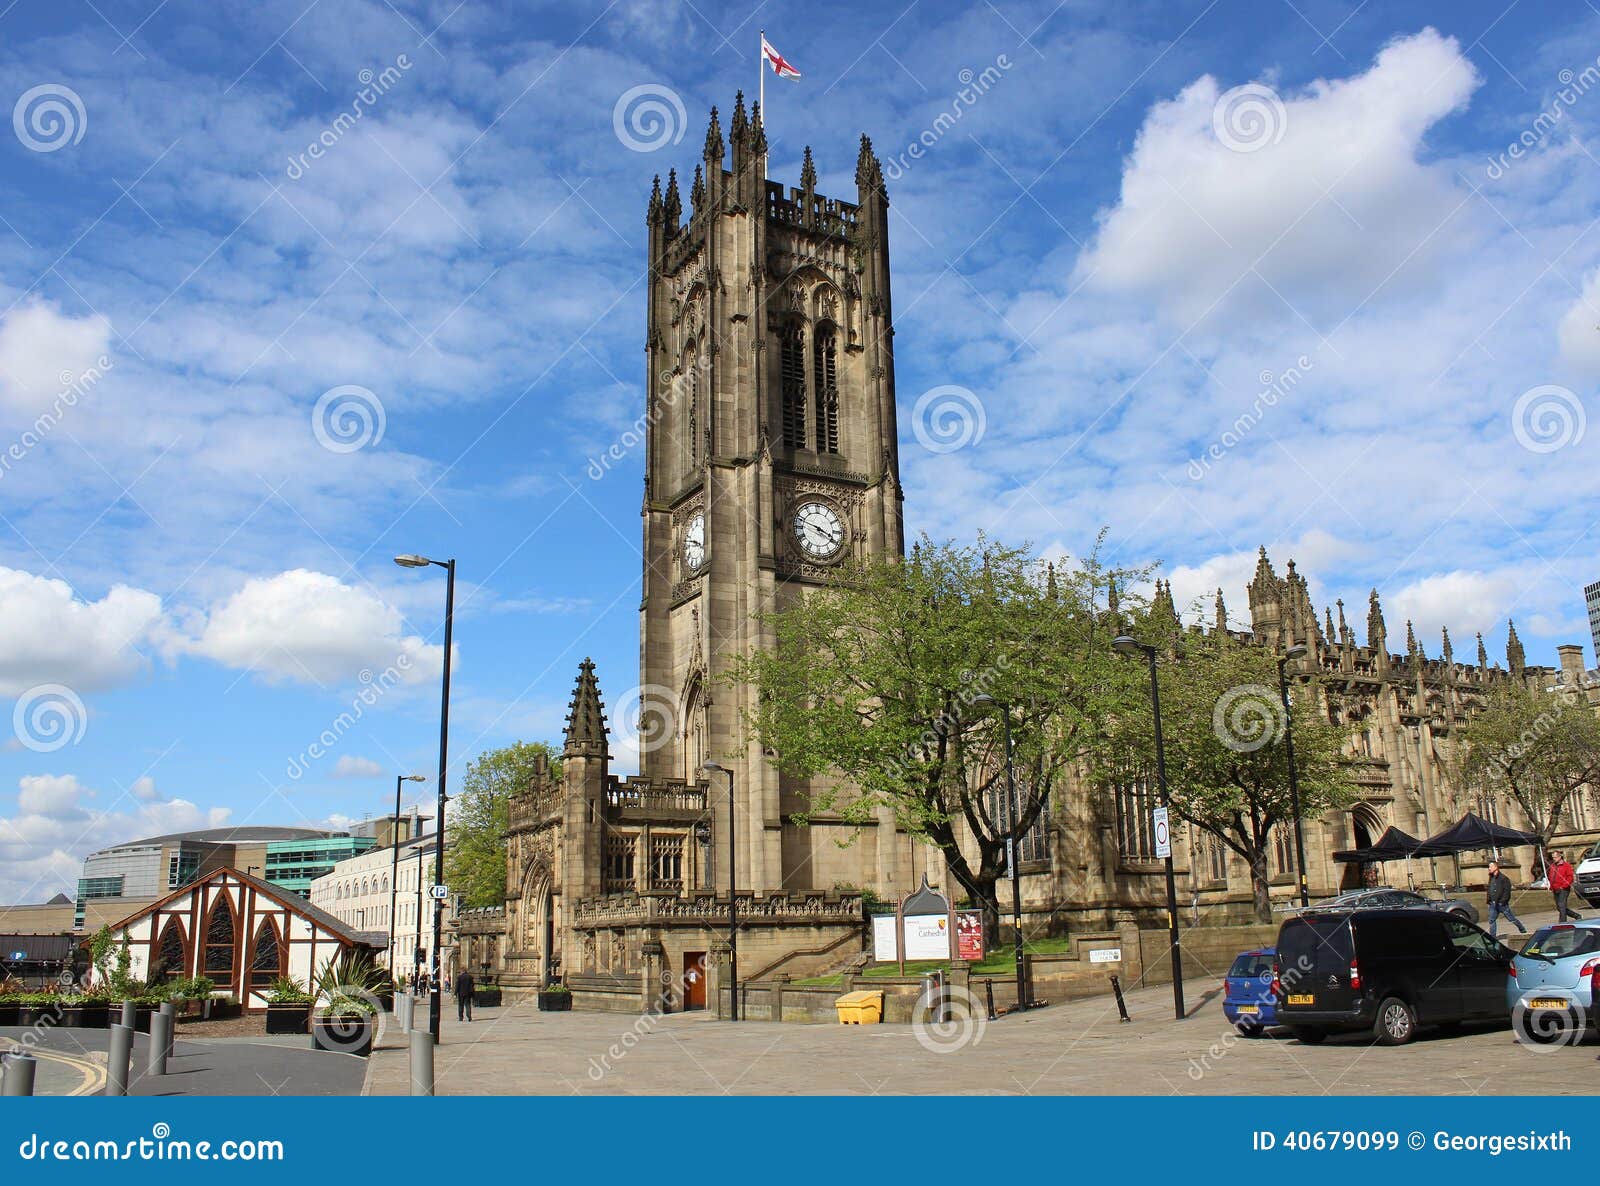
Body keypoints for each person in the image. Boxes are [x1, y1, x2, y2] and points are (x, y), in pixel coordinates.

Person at [1485, 860, 1524, 939]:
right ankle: (1493, 937)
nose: (1489, 868)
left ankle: (1521, 928)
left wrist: (1502, 901)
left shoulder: (1503, 878)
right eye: (1488, 867)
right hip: (1493, 903)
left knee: (1511, 919)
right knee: (1491, 920)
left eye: (1490, 866)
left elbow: (1507, 891)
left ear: (1496, 867)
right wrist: (1488, 900)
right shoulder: (1491, 878)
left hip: (1502, 904)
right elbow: (1490, 889)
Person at [1548, 850, 1584, 922]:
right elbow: (1550, 876)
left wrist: (1564, 886)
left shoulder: (1566, 865)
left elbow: (1570, 877)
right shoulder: (1552, 866)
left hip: (1564, 889)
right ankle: (1576, 916)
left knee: (1561, 905)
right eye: (1553, 858)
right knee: (1559, 907)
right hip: (1555, 888)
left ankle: (1562, 922)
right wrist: (1551, 886)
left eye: (1555, 857)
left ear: (1559, 857)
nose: (1554, 859)